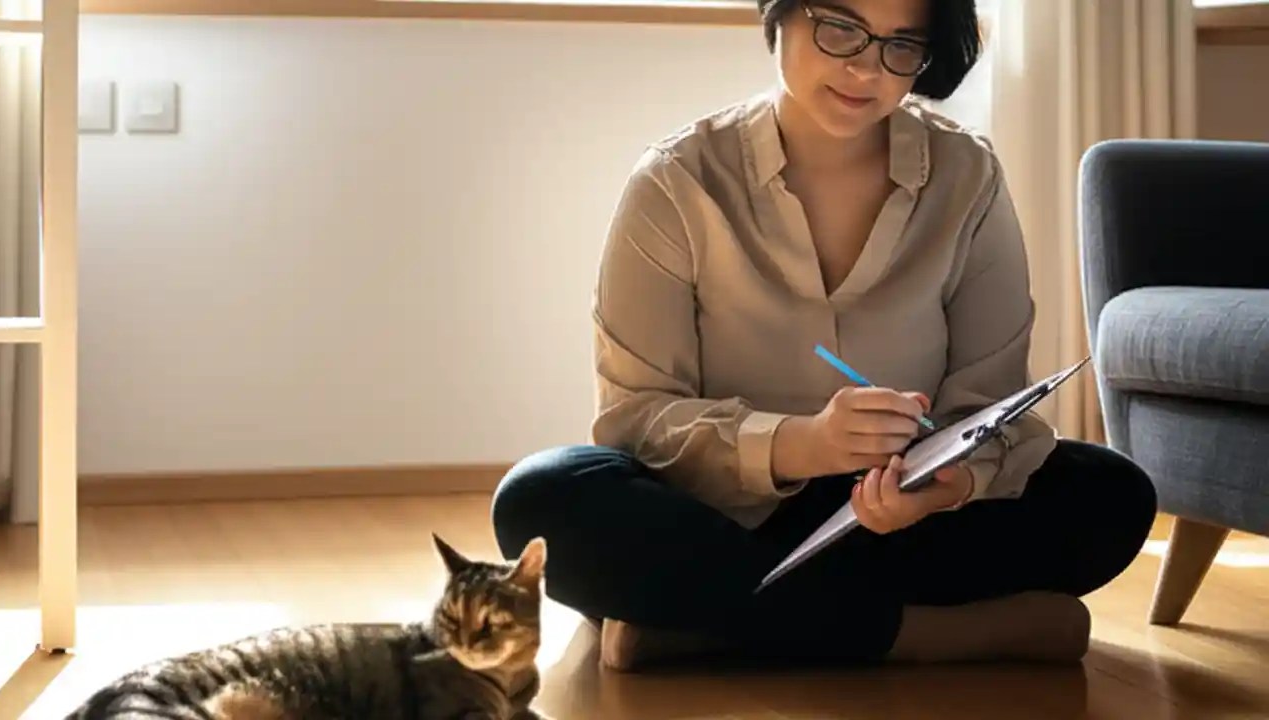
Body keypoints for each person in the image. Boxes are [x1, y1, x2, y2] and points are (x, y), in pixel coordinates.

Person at [491, 0, 1157, 672]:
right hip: (719, 514)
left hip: (899, 520)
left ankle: (705, 629)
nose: (866, 69)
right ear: (779, 14)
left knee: (1111, 495)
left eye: (902, 45)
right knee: (543, 499)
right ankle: (922, 635)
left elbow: (991, 399)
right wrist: (801, 444)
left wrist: (946, 485)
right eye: (840, 29)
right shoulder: (676, 181)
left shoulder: (967, 176)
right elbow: (638, 418)